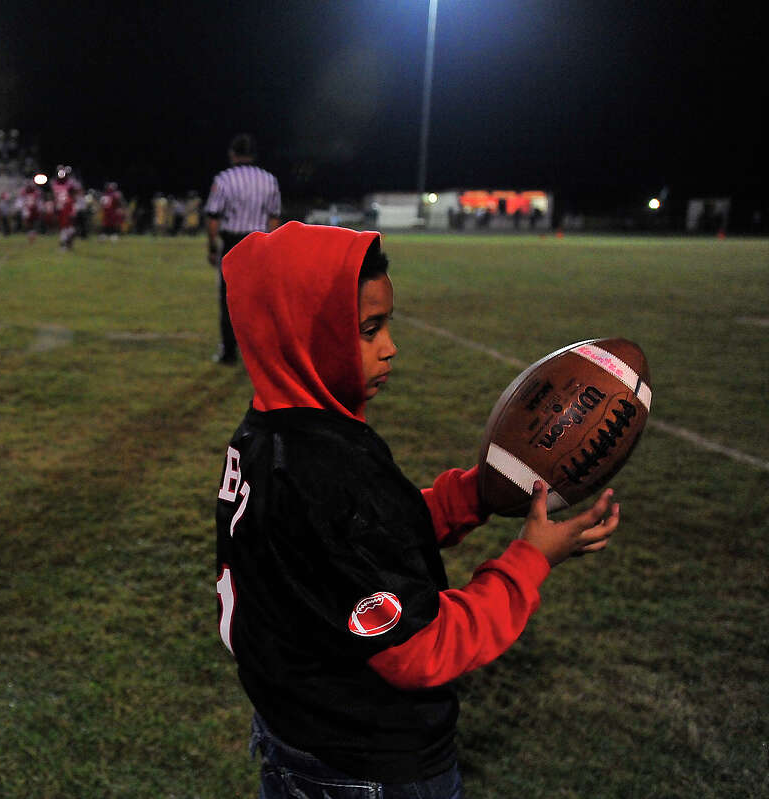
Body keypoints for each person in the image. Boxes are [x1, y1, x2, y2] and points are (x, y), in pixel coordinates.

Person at [214, 222, 620, 799]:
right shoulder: (328, 469)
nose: (389, 347)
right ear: (305, 336)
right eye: (367, 330)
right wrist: (530, 561)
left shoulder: (266, 436)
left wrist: (475, 495)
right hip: (367, 764)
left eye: (387, 325)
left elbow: (350, 547)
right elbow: (420, 649)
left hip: (296, 738)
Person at [204, 133, 281, 364]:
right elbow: (274, 217)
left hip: (233, 243)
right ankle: (260, 353)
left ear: (232, 154)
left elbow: (213, 217)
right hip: (259, 242)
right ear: (253, 155)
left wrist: (211, 246)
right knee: (258, 299)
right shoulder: (269, 180)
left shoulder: (225, 179)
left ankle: (229, 352)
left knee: (230, 298)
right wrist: (270, 245)